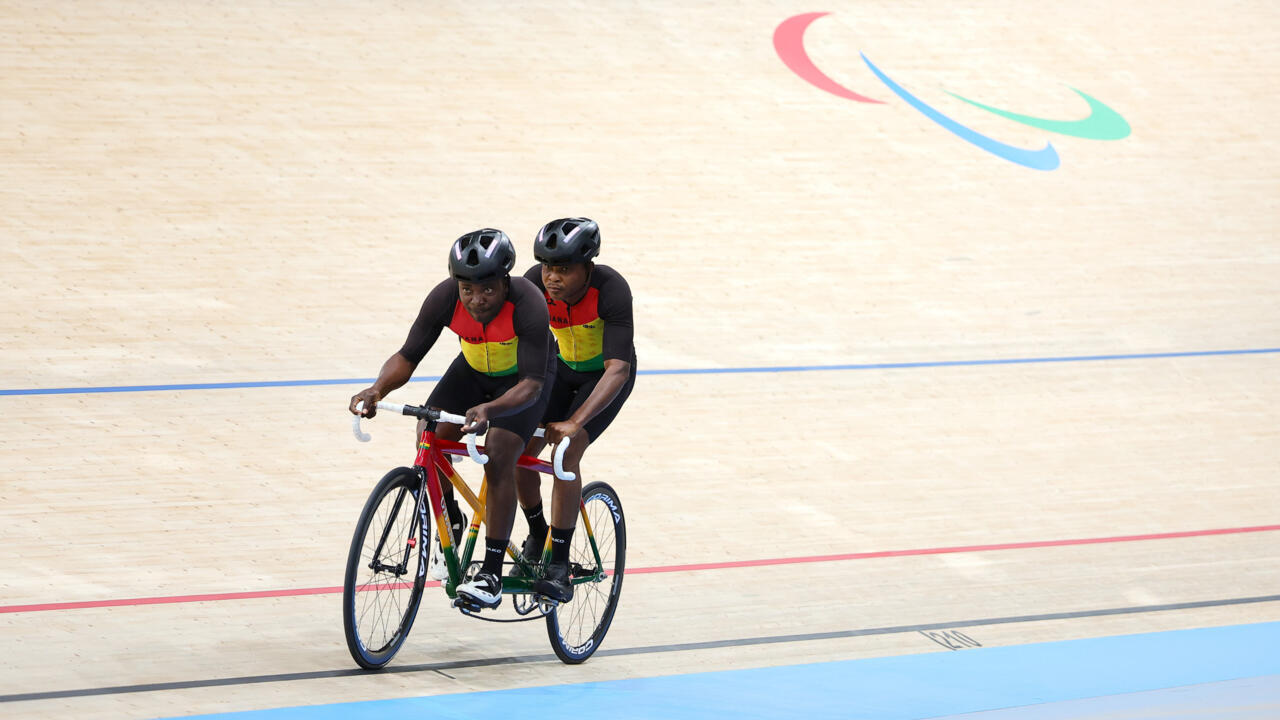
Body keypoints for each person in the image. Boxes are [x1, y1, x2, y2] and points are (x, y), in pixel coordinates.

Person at [348, 228, 553, 609]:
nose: (476, 300)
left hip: (525, 380)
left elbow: (531, 384)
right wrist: (377, 389)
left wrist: (491, 411)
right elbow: (408, 356)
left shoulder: (529, 302)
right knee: (429, 430)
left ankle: (491, 573)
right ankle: (451, 520)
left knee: (499, 452)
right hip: (473, 372)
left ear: (505, 282)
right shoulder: (444, 297)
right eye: (467, 290)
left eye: (487, 290)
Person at [514, 218, 636, 602]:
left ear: (588, 267)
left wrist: (575, 421)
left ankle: (560, 566)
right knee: (517, 454)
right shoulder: (533, 283)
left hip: (602, 378)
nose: (552, 277)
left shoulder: (611, 290)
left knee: (565, 454)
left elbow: (617, 368)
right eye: (548, 267)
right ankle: (537, 534)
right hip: (560, 370)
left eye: (563, 270)